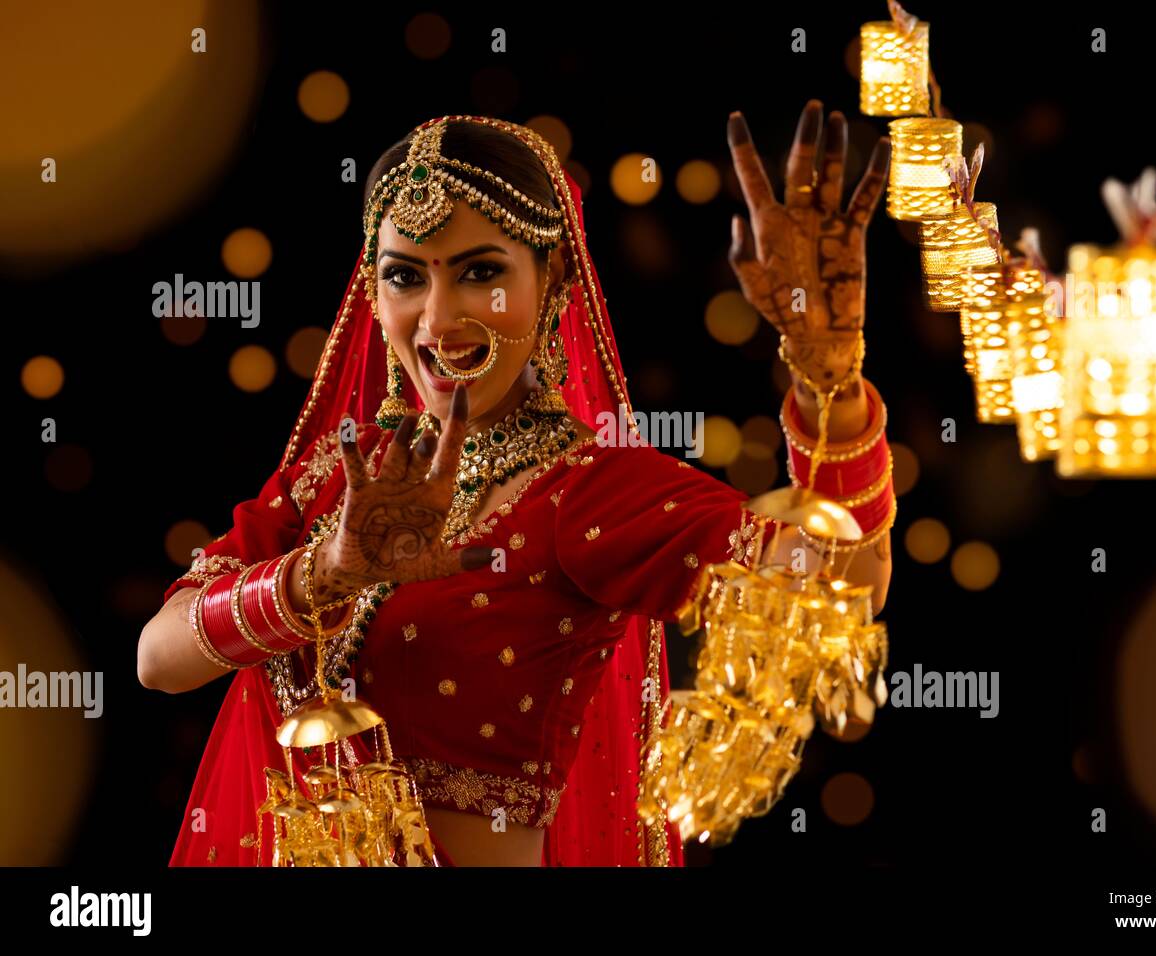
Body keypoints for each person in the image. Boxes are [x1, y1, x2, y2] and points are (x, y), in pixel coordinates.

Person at [137, 102, 896, 867]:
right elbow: (158, 659)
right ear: (373, 292)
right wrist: (321, 575)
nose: (438, 320)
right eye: (405, 276)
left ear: (554, 278)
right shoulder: (343, 475)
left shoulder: (586, 492)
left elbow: (841, 584)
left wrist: (829, 385)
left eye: (481, 274)